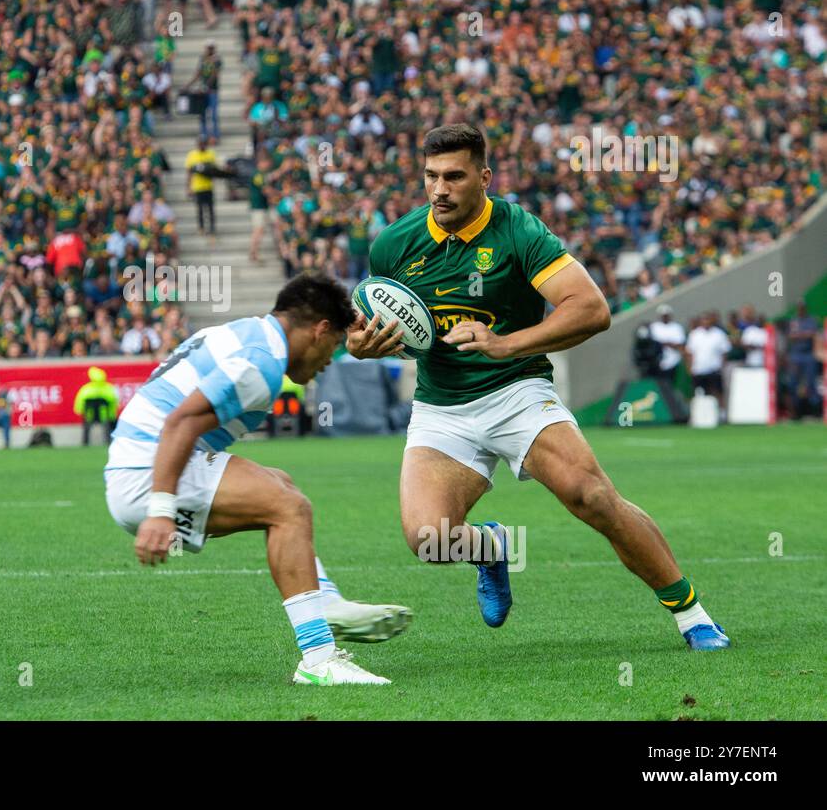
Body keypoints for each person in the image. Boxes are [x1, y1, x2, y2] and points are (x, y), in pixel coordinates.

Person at [352, 124, 728, 651]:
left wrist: (506, 345)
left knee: (592, 495)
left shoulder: (519, 232)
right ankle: (489, 549)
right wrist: (360, 345)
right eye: (431, 177)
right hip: (442, 407)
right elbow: (361, 324)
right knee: (427, 539)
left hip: (516, 390)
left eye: (454, 177)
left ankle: (692, 615)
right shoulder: (394, 244)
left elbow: (591, 310)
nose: (440, 189)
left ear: (484, 178)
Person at [105, 273, 412, 686]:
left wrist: (351, 321)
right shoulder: (259, 363)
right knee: (289, 507)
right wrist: (160, 510)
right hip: (147, 471)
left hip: (140, 460)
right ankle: (319, 660)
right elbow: (179, 424)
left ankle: (325, 601)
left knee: (280, 484)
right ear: (320, 331)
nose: (327, 364)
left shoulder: (251, 336)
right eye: (333, 346)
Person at [685, 311, 730, 405]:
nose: (706, 322)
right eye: (704, 319)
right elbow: (690, 353)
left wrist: (721, 367)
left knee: (717, 392)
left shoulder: (719, 334)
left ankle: (721, 414)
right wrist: (690, 367)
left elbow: (724, 352)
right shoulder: (694, 334)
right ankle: (698, 413)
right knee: (698, 393)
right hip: (698, 369)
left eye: (708, 319)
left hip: (714, 369)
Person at [73, 366, 119, 446]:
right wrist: (112, 415)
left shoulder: (86, 389)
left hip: (89, 416)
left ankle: (85, 443)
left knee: (87, 426)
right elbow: (115, 403)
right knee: (107, 427)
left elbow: (79, 404)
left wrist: (81, 412)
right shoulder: (109, 388)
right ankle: (108, 442)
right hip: (105, 416)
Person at [185, 135, 218, 238]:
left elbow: (215, 169)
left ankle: (212, 227)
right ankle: (201, 227)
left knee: (210, 208)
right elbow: (189, 172)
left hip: (208, 186)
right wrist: (188, 187)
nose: (202, 145)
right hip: (198, 186)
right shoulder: (192, 155)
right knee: (199, 209)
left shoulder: (211, 154)